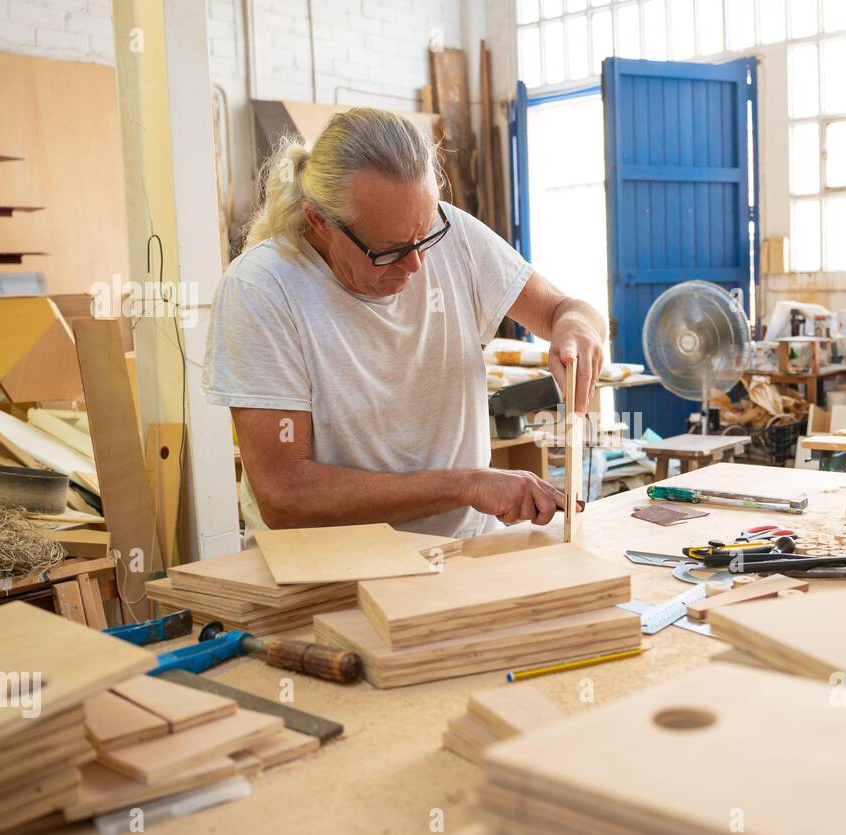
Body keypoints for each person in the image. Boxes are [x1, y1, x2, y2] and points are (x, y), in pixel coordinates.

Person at [202, 108, 607, 541]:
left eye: (424, 235)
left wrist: (577, 326)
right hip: (323, 573)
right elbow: (286, 496)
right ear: (321, 222)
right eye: (391, 250)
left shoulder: (456, 235)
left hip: (461, 553)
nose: (416, 264)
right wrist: (465, 485)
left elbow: (562, 309)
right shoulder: (262, 289)